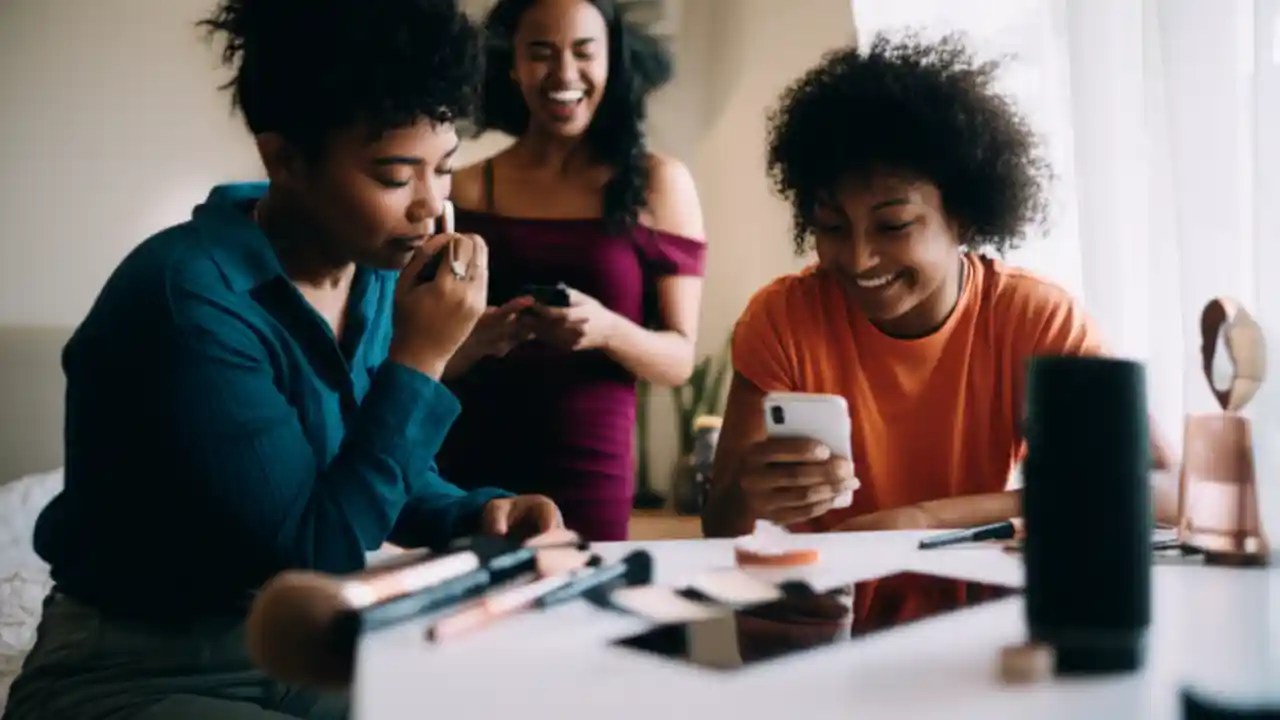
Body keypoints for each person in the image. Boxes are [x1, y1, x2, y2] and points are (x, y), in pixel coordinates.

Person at [3, 1, 560, 718]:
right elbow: (313, 546)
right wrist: (421, 358)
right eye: (395, 177)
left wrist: (476, 513)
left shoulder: (374, 271)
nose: (429, 207)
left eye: (443, 170)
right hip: (139, 668)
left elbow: (361, 467)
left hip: (304, 647)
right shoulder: (186, 303)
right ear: (284, 158)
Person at [701, 33, 1177, 539]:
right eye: (832, 226)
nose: (860, 258)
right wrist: (751, 493)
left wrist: (923, 521)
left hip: (986, 609)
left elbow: (1163, 492)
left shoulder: (1036, 319)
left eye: (894, 226)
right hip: (837, 612)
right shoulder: (782, 320)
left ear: (963, 218)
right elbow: (721, 527)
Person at [436, 0, 707, 541]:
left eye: (585, 52)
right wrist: (485, 336)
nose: (564, 74)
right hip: (467, 471)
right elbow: (421, 351)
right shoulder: (461, 187)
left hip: (589, 476)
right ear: (510, 63)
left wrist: (605, 329)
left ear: (613, 61)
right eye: (540, 53)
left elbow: (678, 360)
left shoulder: (657, 183)